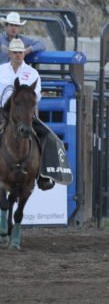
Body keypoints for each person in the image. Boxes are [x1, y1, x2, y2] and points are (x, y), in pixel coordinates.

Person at [0, 38, 69, 191]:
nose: (17, 55)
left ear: (24, 54)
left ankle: (44, 175)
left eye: (20, 52)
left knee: (49, 137)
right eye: (15, 52)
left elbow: (36, 95)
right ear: (10, 54)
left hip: (25, 114)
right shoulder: (1, 70)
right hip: (3, 112)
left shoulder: (32, 73)